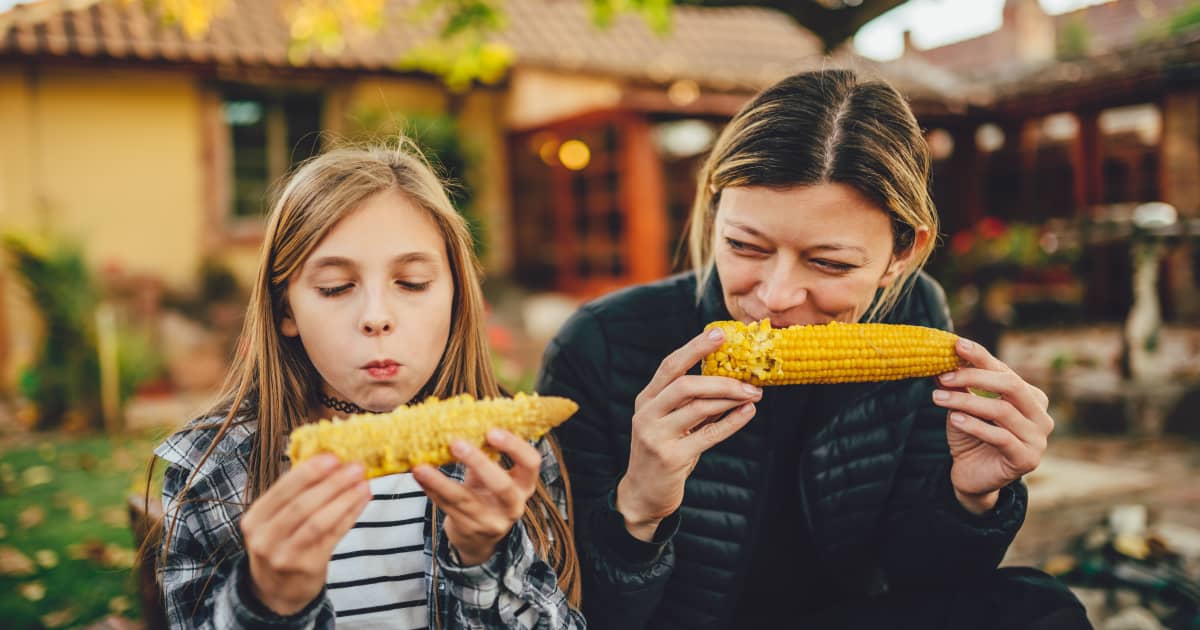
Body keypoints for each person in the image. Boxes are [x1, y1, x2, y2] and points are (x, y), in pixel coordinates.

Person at [536, 69, 1090, 629]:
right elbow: (569, 612)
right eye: (744, 246)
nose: (775, 297)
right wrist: (637, 508)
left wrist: (970, 496)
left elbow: (927, 586)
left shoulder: (918, 310)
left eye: (830, 263)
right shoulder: (599, 347)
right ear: (714, 211)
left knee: (1040, 605)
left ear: (903, 252)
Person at [153, 143, 585, 629]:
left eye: (414, 282)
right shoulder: (212, 471)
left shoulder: (511, 455)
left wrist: (485, 558)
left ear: (456, 296)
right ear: (286, 310)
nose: (377, 317)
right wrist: (268, 604)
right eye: (336, 287)